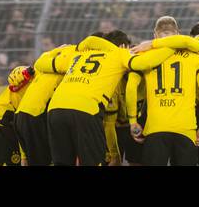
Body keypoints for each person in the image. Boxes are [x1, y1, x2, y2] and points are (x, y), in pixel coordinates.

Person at [39, 30, 174, 166]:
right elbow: (144, 63)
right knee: (93, 161)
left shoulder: (78, 54)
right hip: (86, 110)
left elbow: (40, 64)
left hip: (55, 110)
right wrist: (172, 47)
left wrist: (55, 51)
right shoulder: (119, 53)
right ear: (123, 46)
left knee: (62, 162)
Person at [125, 15, 199, 166]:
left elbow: (131, 88)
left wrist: (133, 121)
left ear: (155, 35)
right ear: (177, 34)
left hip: (155, 127)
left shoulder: (143, 54)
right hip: (186, 128)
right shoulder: (196, 57)